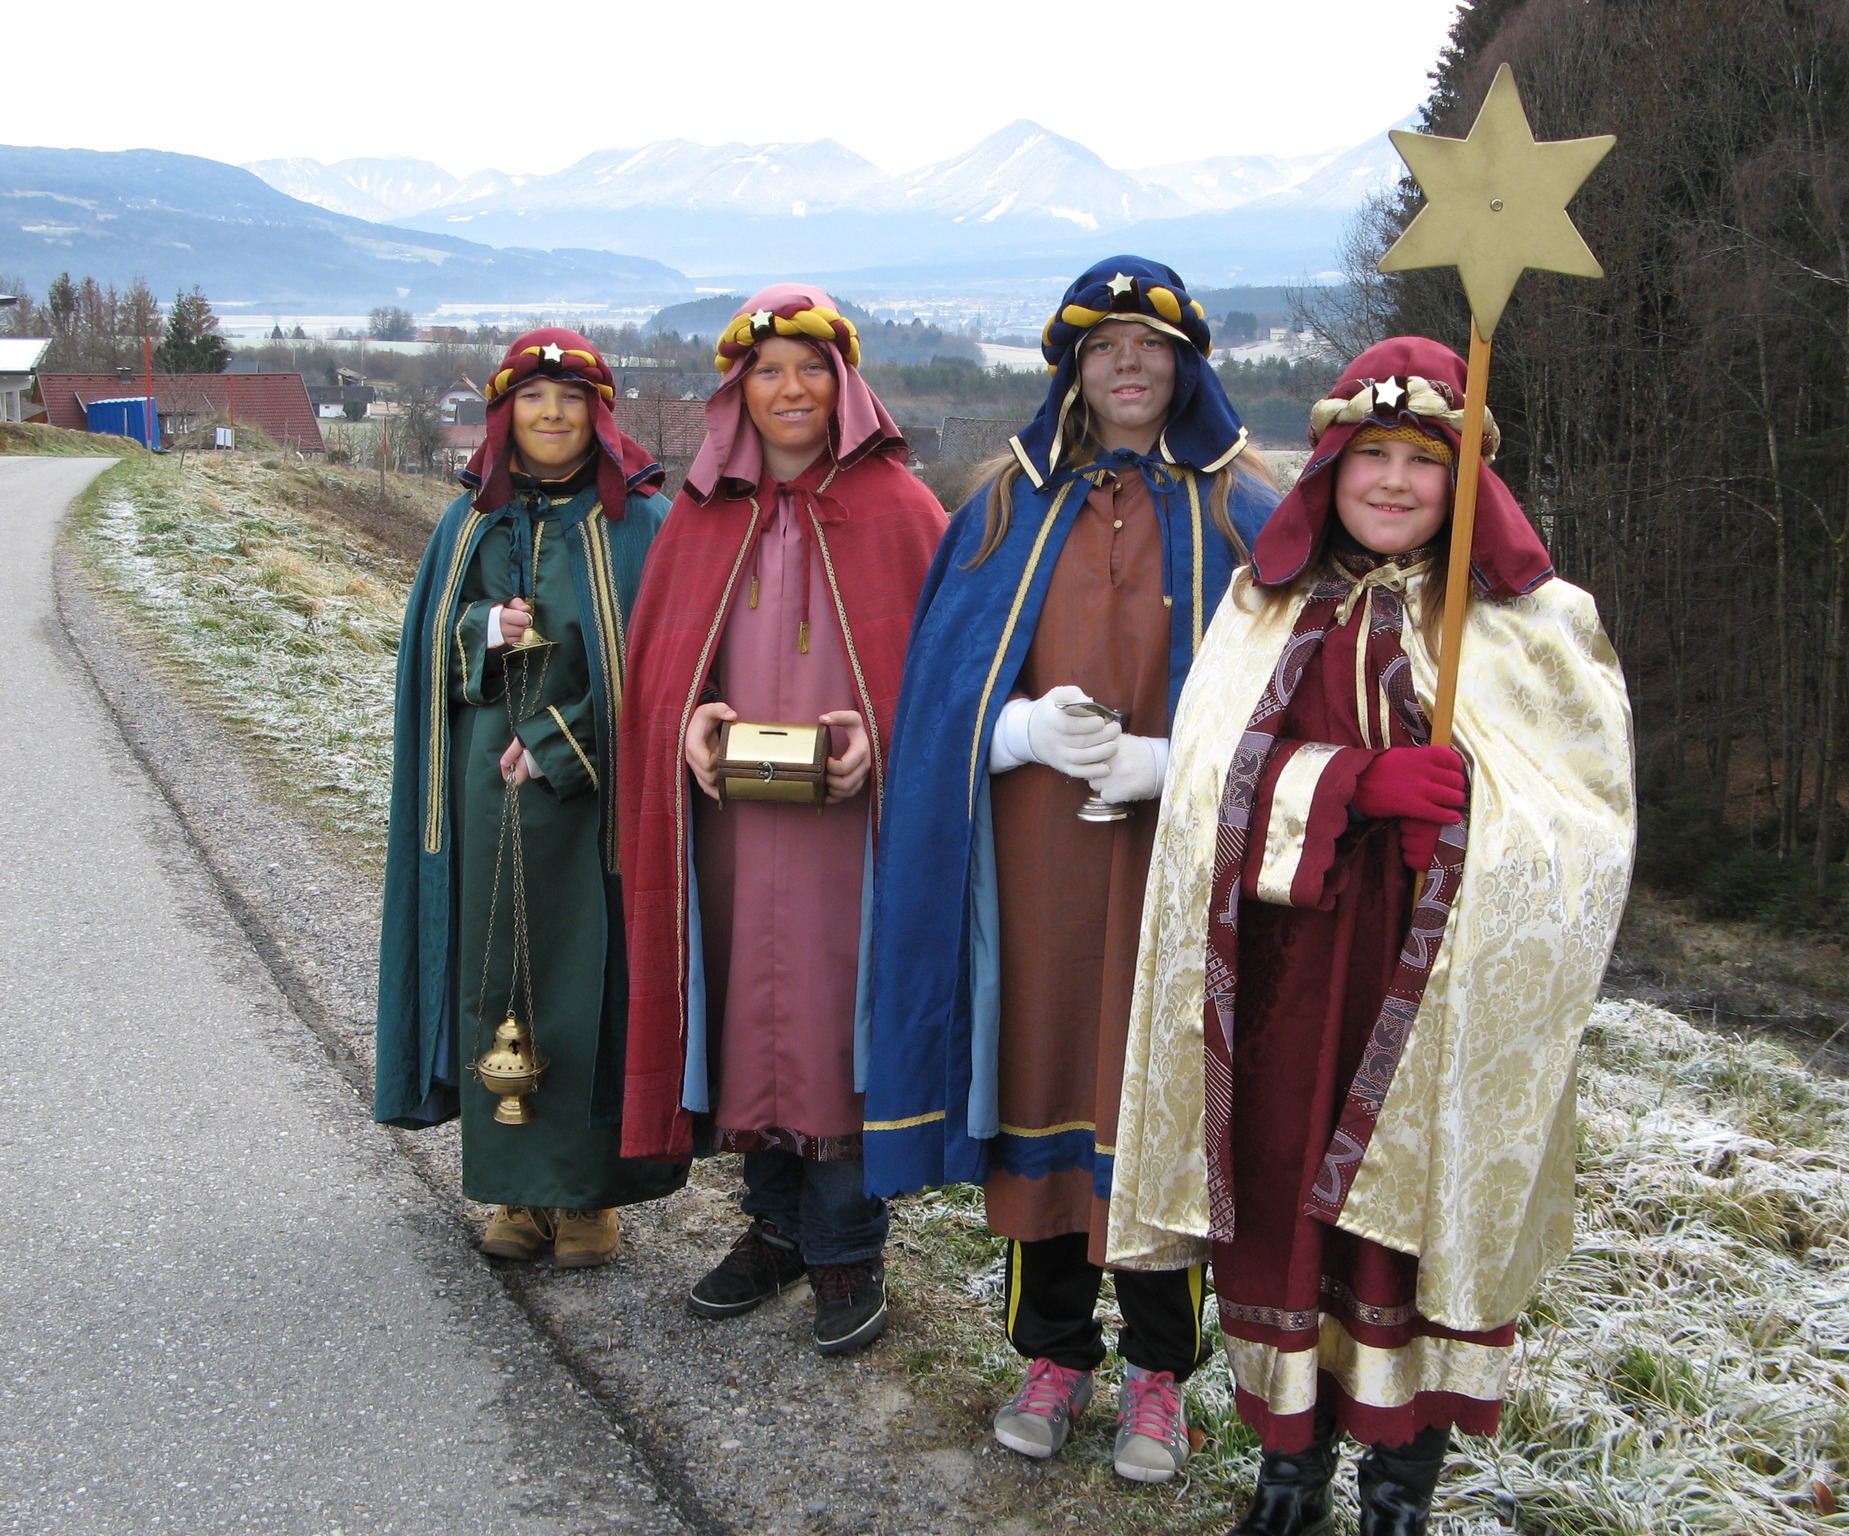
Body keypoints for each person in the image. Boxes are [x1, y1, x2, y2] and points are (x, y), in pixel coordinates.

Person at [1103, 337, 1636, 1534]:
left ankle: (1400, 1485)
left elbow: (1586, 831)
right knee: (1286, 1213)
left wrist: (1473, 826)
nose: (1393, 482)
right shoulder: (1264, 605)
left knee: (1412, 1225)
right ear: (1330, 466)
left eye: (1422, 460)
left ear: (1465, 479)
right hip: (1287, 985)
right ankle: (1288, 1478)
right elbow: (1202, 798)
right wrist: (1349, 786)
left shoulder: (1534, 624)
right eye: (1370, 455)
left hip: (1436, 992)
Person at [862, 256, 1277, 1481]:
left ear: (1185, 365)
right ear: (1072, 369)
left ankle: (1157, 1374)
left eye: (1150, 345)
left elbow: (1289, 704)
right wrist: (1014, 729)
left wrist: (1172, 764)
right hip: (1033, 865)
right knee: (1039, 1079)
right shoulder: (1001, 506)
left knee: (1153, 1095)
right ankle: (1051, 1353)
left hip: (1170, 864)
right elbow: (938, 693)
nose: (1128, 365)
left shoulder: (1247, 515)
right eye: (1104, 346)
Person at [615, 286, 946, 1355]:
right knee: (743, 1012)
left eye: (810, 368)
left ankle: (846, 1243)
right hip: (729, 828)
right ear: (738, 391)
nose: (790, 389)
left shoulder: (902, 509)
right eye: (768, 371)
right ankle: (774, 1228)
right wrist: (689, 721)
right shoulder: (702, 515)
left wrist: (878, 740)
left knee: (836, 1020)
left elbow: (946, 680)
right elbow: (658, 672)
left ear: (844, 384)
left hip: (856, 834)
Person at [376, 328, 687, 1267]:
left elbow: (663, 667)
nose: (552, 414)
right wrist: (484, 628)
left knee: (587, 980)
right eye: (533, 398)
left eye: (572, 398)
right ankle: (514, 1191)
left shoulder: (641, 523)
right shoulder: (467, 520)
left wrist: (561, 741)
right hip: (484, 791)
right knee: (493, 975)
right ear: (504, 414)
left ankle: (590, 1199)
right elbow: (427, 654)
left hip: (598, 806)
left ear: (601, 414)